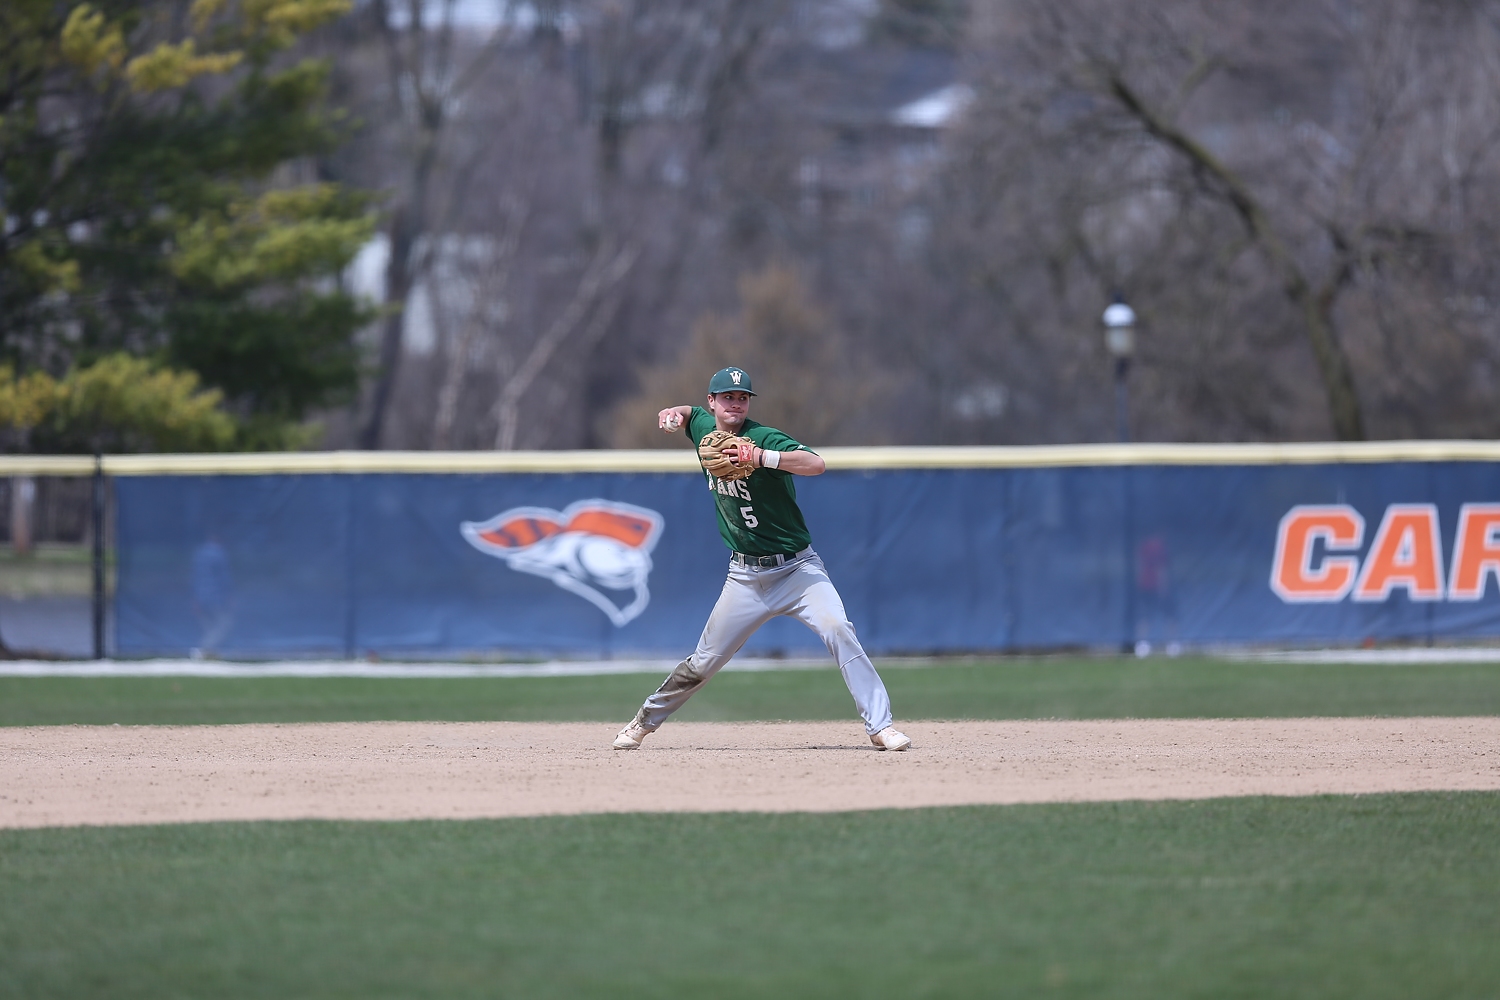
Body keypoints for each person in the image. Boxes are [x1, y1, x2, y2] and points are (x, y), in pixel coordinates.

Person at [613, 367, 911, 751]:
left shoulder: (762, 437)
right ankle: (643, 722)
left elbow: (815, 464)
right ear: (713, 402)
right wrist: (672, 414)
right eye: (727, 397)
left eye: (742, 397)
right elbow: (687, 413)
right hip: (745, 577)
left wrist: (762, 457)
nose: (735, 403)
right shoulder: (704, 426)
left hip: (798, 569)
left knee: (838, 627)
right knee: (704, 661)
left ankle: (880, 726)